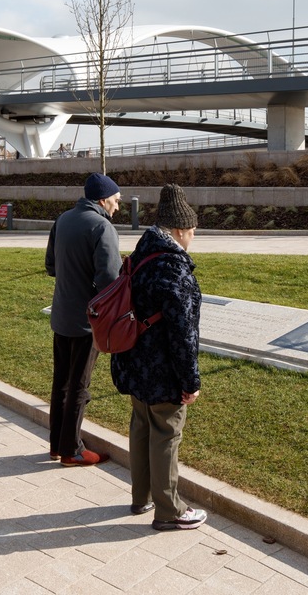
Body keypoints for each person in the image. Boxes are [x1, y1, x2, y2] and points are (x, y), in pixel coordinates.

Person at [110, 183, 206, 531]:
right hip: (162, 370)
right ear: (180, 229)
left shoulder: (139, 255)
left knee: (141, 427)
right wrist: (190, 382)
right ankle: (169, 511)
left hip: (134, 362)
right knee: (166, 433)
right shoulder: (174, 269)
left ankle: (141, 497)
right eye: (193, 230)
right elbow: (184, 334)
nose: (193, 237)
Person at [45, 172, 124, 466]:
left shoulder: (63, 219)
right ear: (103, 200)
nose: (117, 206)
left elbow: (51, 266)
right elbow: (110, 282)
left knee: (61, 383)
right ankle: (71, 450)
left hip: (61, 315)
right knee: (79, 386)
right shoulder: (102, 227)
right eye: (116, 200)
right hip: (86, 322)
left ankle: (56, 444)